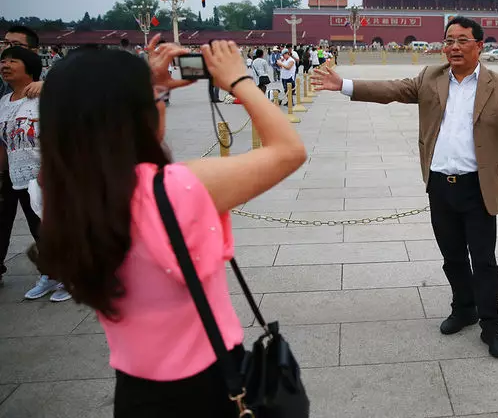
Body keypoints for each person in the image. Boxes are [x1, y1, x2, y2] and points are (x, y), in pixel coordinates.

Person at [32, 35, 307, 416]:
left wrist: (149, 87)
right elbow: (289, 150)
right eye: (158, 101)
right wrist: (240, 82)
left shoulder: (60, 193)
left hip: (135, 392)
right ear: (139, 114)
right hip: (210, 387)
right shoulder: (176, 189)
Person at [311, 16, 498, 358]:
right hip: (440, 186)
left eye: (462, 40)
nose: (453, 47)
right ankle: (464, 309)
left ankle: (492, 325)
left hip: (479, 188)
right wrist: (343, 84)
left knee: (484, 261)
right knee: (452, 258)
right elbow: (391, 90)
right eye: (449, 40)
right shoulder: (430, 78)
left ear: (479, 45)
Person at [0, 47, 69, 300]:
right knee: (36, 227)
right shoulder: (3, 103)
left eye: (12, 61)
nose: (5, 65)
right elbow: (3, 143)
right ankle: (51, 274)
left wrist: (48, 84)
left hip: (46, 173)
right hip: (17, 177)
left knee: (54, 226)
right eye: (3, 61)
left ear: (29, 67)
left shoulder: (45, 95)